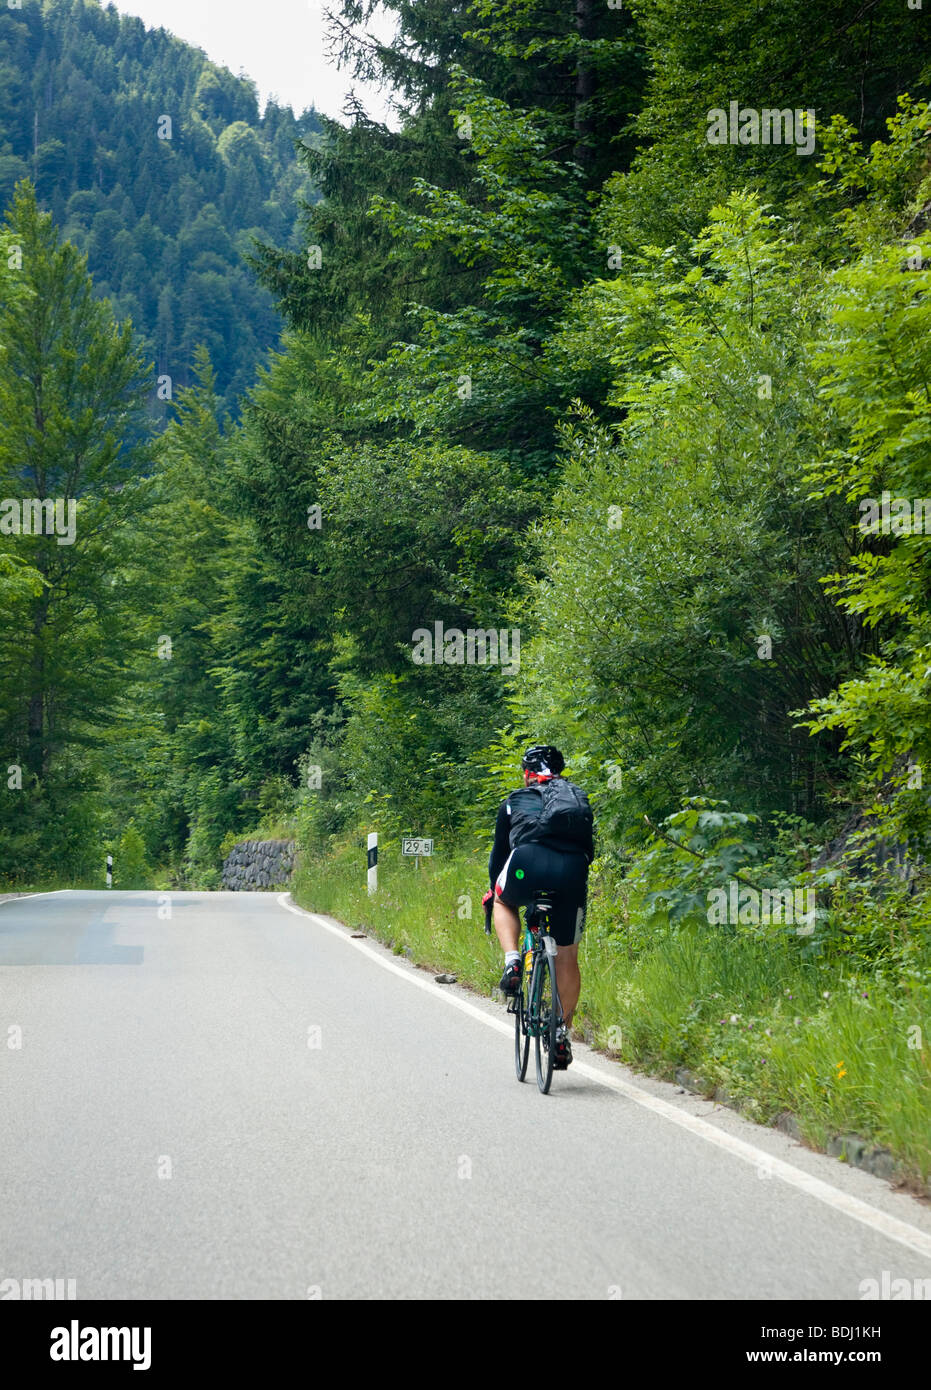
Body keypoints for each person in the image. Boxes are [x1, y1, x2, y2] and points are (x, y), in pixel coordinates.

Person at [485, 745, 594, 1069]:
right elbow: (590, 849)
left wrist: (494, 890)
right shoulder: (576, 799)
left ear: (527, 773)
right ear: (560, 770)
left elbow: (498, 857)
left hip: (526, 865)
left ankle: (513, 960)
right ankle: (561, 1031)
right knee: (568, 954)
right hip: (572, 872)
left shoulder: (514, 800)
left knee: (503, 899)